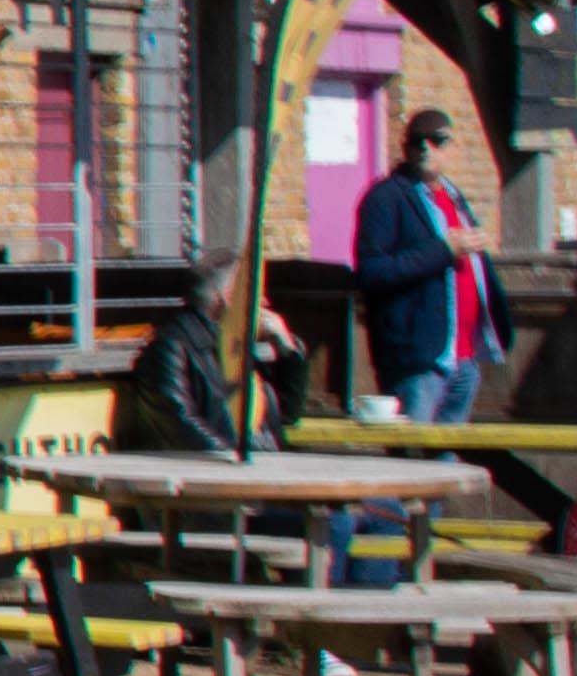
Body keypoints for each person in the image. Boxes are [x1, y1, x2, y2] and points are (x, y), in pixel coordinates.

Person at [346, 111, 500, 427]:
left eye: (437, 140)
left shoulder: (453, 197)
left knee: (448, 467)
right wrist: (444, 250)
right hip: (418, 361)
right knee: (415, 462)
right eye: (417, 141)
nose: (426, 148)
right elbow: (373, 272)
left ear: (452, 147)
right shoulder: (385, 198)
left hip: (464, 358)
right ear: (406, 148)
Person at [113, 259, 309, 462]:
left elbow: (287, 413)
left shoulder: (235, 346)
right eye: (256, 295)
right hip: (219, 480)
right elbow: (181, 429)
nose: (265, 303)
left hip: (262, 474)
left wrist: (288, 349)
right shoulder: (171, 349)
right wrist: (236, 463)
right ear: (227, 298)